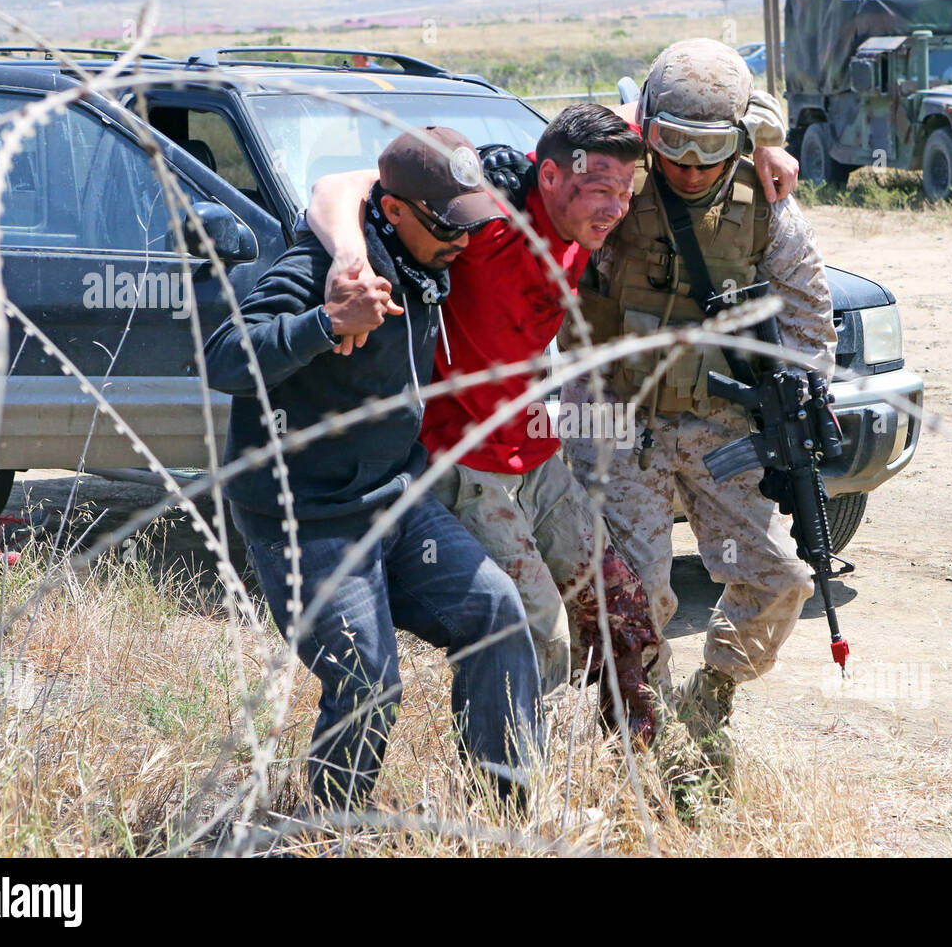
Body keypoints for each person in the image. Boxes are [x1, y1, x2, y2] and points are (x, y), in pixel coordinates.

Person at [306, 93, 802, 745]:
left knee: (624, 607)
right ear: (549, 176)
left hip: (533, 451)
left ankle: (643, 757)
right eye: (597, 189)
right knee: (536, 623)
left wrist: (762, 141)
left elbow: (666, 105)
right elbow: (337, 183)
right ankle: (503, 789)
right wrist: (347, 255)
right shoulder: (489, 218)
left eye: (624, 190)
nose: (614, 207)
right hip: (464, 457)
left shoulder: (590, 183)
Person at [204, 126, 542, 811]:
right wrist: (327, 323)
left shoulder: (415, 248)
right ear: (395, 213)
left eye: (471, 225)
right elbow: (225, 358)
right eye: (450, 228)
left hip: (394, 498)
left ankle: (503, 814)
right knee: (367, 679)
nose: (464, 243)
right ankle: (330, 833)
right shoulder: (319, 270)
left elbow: (355, 179)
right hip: (308, 517)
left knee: (499, 614)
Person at [560, 39, 838, 755]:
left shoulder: (765, 205)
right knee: (640, 600)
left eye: (710, 148)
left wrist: (801, 401)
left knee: (781, 579)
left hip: (720, 426)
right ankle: (639, 736)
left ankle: (710, 697)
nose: (688, 166)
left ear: (741, 138)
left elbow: (809, 318)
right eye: (672, 145)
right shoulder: (615, 189)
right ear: (648, 128)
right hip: (618, 418)